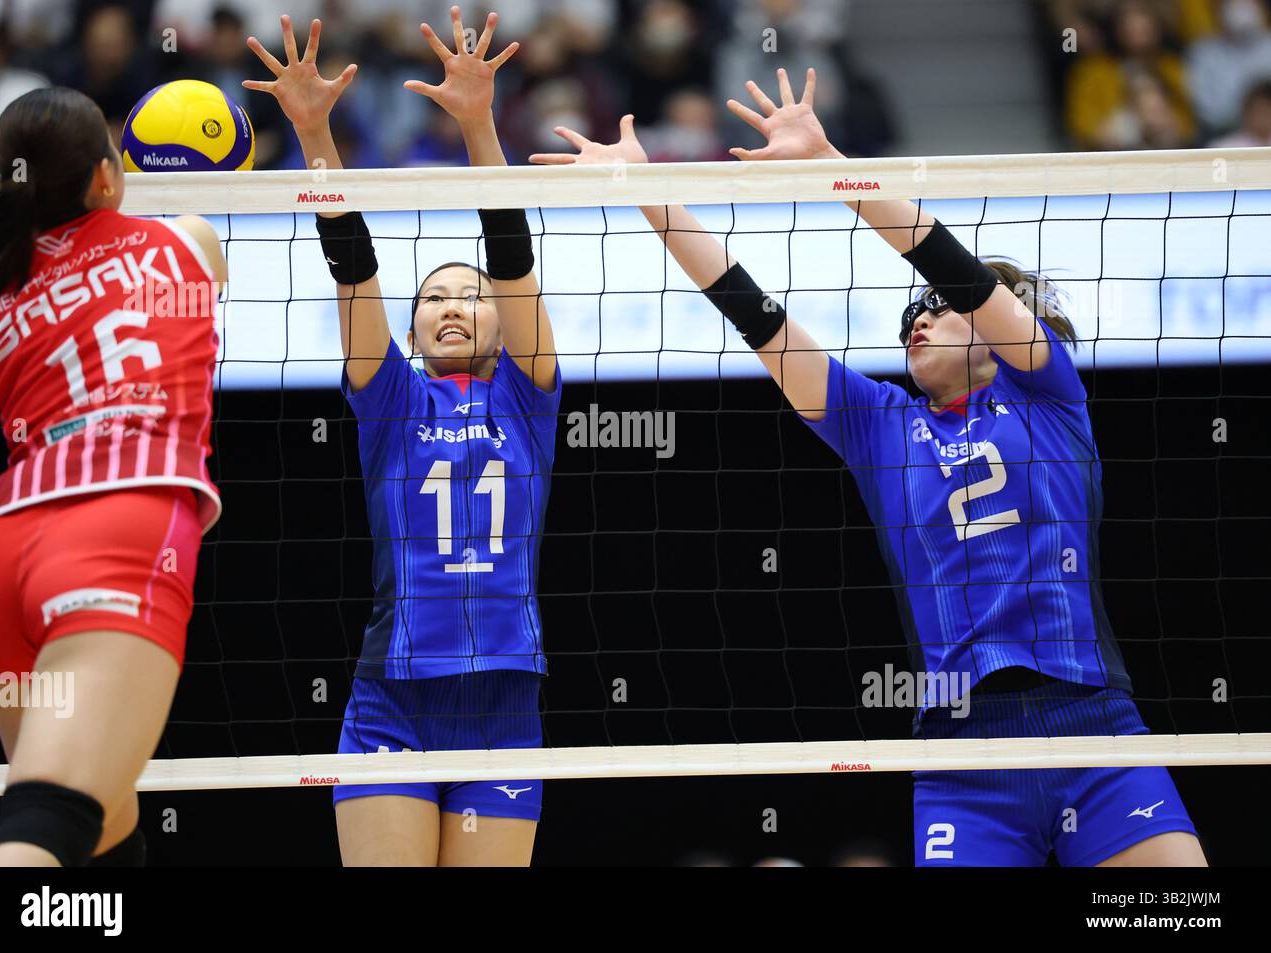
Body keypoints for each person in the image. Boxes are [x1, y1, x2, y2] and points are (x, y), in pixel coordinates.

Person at [530, 67, 1207, 867]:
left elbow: (953, 265)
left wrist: (834, 165)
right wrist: (648, 194)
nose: (918, 320)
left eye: (939, 309)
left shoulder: (1045, 389)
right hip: (963, 754)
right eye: (909, 315)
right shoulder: (880, 425)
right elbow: (751, 311)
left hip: (1095, 733)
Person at [245, 8, 560, 866]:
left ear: (498, 318)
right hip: (392, 701)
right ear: (414, 330)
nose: (453, 305)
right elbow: (351, 265)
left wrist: (477, 125)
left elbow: (512, 253)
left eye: (471, 295)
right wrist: (314, 131)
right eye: (433, 299)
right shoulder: (389, 401)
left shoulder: (530, 396)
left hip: (505, 706)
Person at [0, 86, 227, 866]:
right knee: (48, 826)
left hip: (3, 566)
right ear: (108, 177)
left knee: (106, 828)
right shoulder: (188, 243)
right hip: (117, 532)